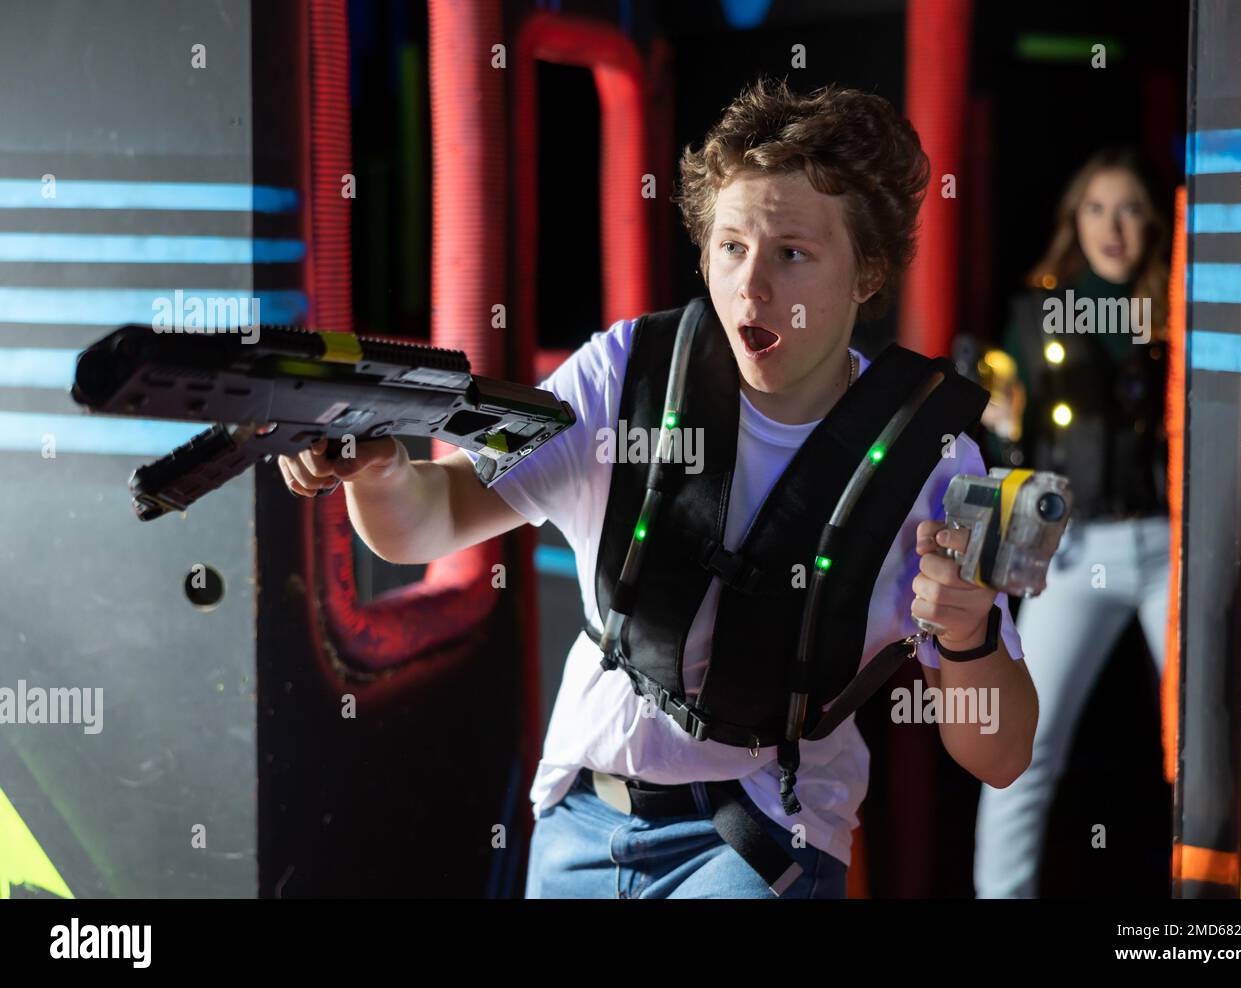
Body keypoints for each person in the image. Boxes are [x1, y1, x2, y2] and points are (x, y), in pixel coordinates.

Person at [277, 77, 1038, 899]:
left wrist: (969, 637)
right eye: (732, 247)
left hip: (761, 840)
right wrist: (382, 470)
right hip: (578, 821)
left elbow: (1000, 754)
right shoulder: (627, 376)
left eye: (793, 253)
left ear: (867, 274)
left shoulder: (928, 459)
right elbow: (432, 519)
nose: (752, 287)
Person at [973, 149, 1172, 898]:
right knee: (1023, 749)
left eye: (1128, 208)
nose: (1113, 226)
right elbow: (1006, 443)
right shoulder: (1037, 310)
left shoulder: (1180, 301)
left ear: (1150, 221)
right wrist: (1002, 424)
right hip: (1072, 545)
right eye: (1096, 208)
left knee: (1203, 743)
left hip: (1169, 545)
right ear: (1074, 220)